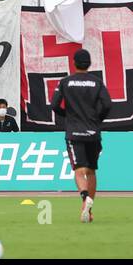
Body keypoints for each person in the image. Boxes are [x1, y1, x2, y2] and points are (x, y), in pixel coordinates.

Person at [49, 47, 113, 223]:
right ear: (89, 64)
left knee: (79, 170)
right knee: (91, 171)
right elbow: (107, 104)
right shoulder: (96, 82)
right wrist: (96, 119)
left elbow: (54, 105)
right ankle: (89, 210)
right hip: (93, 132)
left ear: (74, 63)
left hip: (74, 132)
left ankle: (85, 199)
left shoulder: (66, 82)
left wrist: (68, 116)